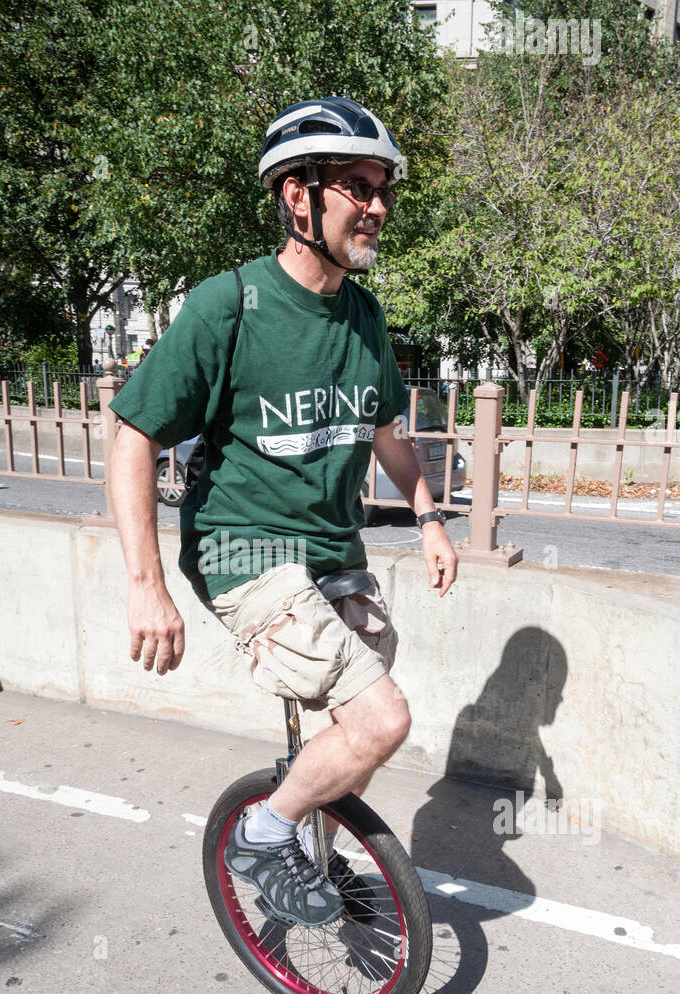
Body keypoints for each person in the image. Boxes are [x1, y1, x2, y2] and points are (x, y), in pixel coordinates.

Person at [108, 96, 457, 926]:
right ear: (298, 196)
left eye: (384, 190)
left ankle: (306, 852)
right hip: (244, 548)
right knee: (385, 718)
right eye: (358, 187)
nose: (377, 206)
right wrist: (144, 583)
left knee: (358, 729)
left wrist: (430, 516)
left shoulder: (364, 315)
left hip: (331, 550)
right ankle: (262, 835)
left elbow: (386, 431)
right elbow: (131, 434)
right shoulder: (226, 307)